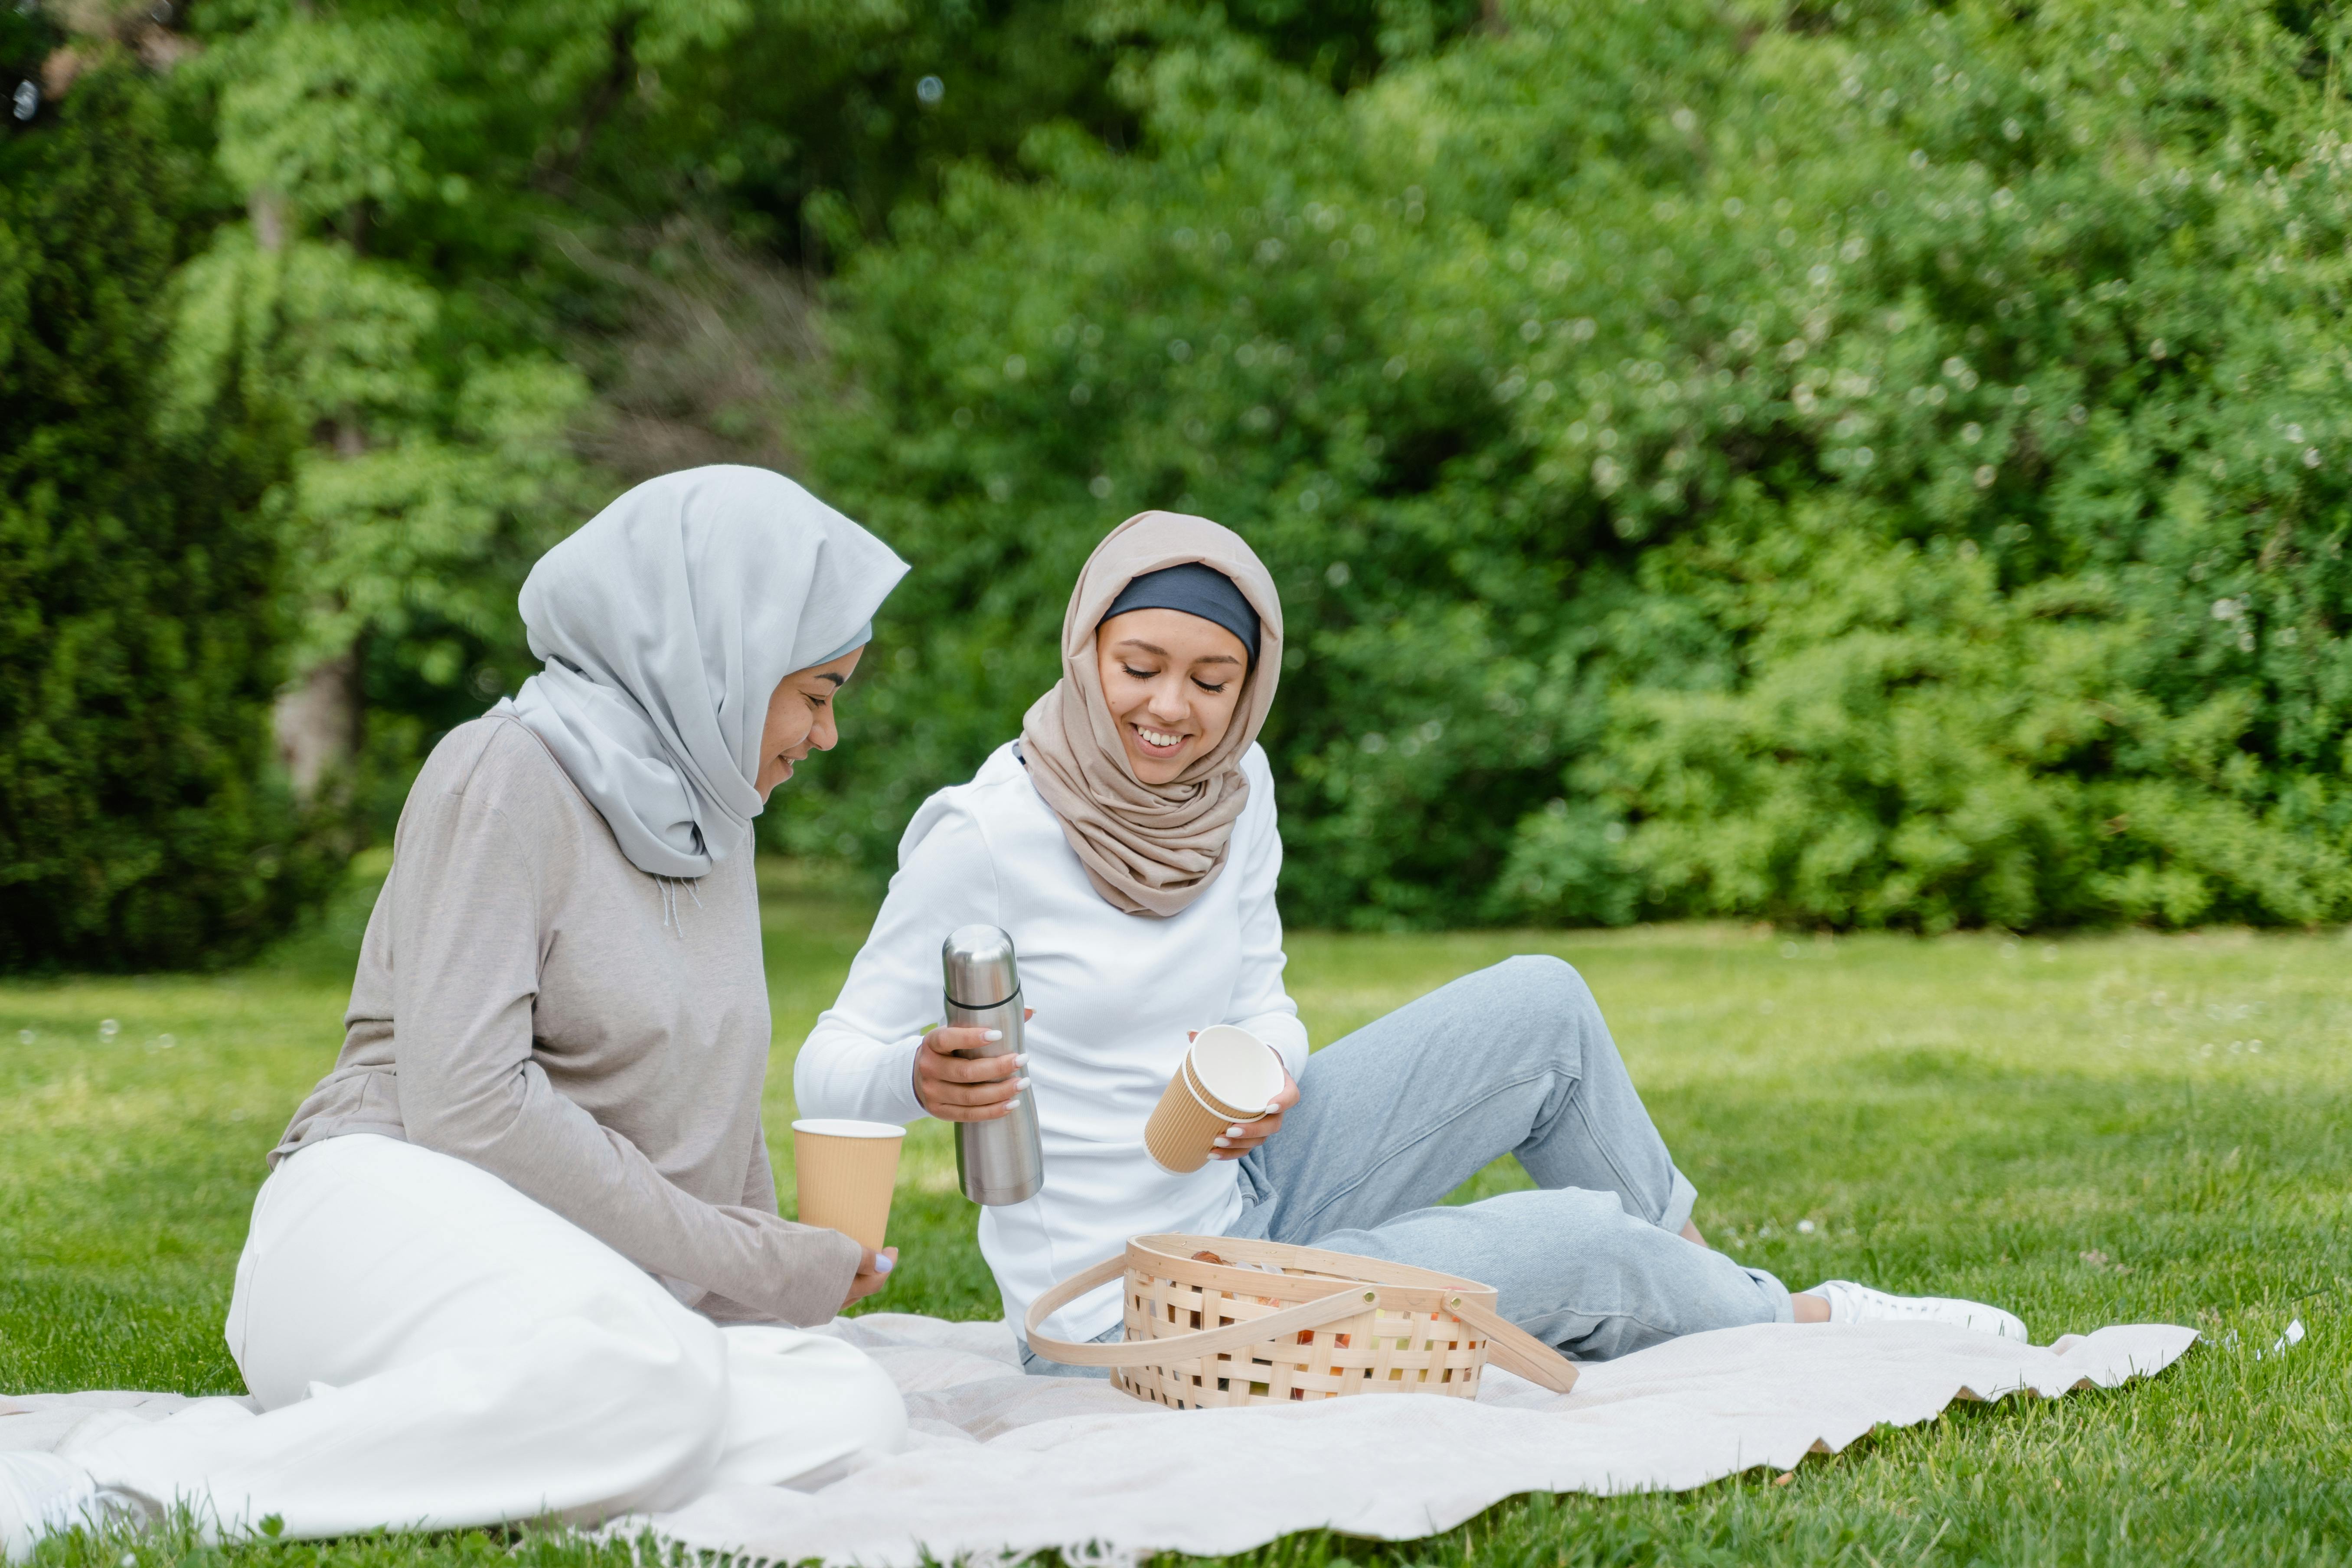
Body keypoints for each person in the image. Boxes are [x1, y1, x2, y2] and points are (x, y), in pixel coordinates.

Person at [795, 509, 2027, 1376]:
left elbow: (1266, 996)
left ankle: (1715, 1293)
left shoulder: (1239, 790)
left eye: (1213, 680)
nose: (1172, 709)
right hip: (1137, 1311)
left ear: (1250, 688)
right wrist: (916, 1078)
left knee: (1542, 1002)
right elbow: (829, 1054)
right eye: (1142, 666)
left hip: (1250, 1185)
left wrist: (1271, 1069)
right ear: (1086, 652)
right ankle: (1806, 1323)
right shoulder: (987, 833)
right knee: (1582, 1248)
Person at [1, 467, 913, 1561]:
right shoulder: (503, 770)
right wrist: (760, 1259)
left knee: (847, 1403)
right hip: (376, 1209)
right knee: (654, 1376)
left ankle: (536, 1428)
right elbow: (468, 1105)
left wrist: (769, 1285)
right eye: (815, 692)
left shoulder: (718, 819)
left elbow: (706, 1118)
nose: (825, 732)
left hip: (584, 1301)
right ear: (722, 650)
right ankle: (112, 1484)